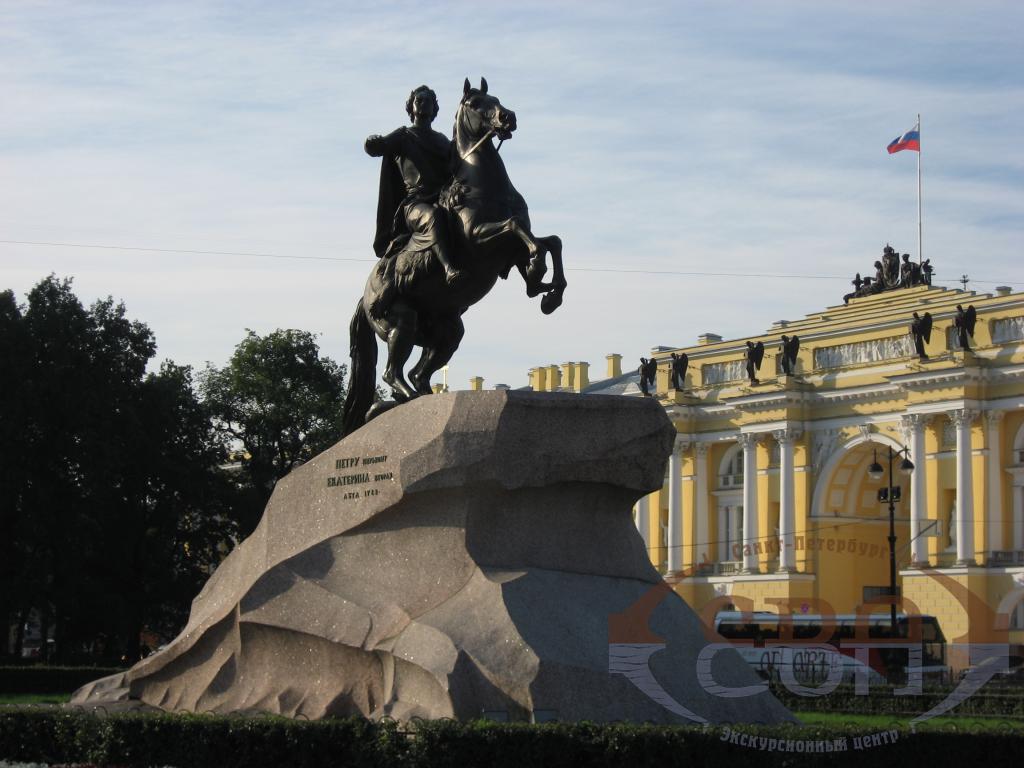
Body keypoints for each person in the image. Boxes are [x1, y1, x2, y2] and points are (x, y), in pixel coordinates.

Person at [365, 85, 463, 316]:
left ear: (434, 107)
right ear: (411, 107)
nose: (423, 103)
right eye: (418, 100)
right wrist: (372, 142)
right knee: (432, 217)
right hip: (414, 204)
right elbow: (377, 148)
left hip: (442, 199)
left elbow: (459, 166)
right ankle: (449, 268)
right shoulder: (403, 136)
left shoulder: (442, 141)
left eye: (428, 100)